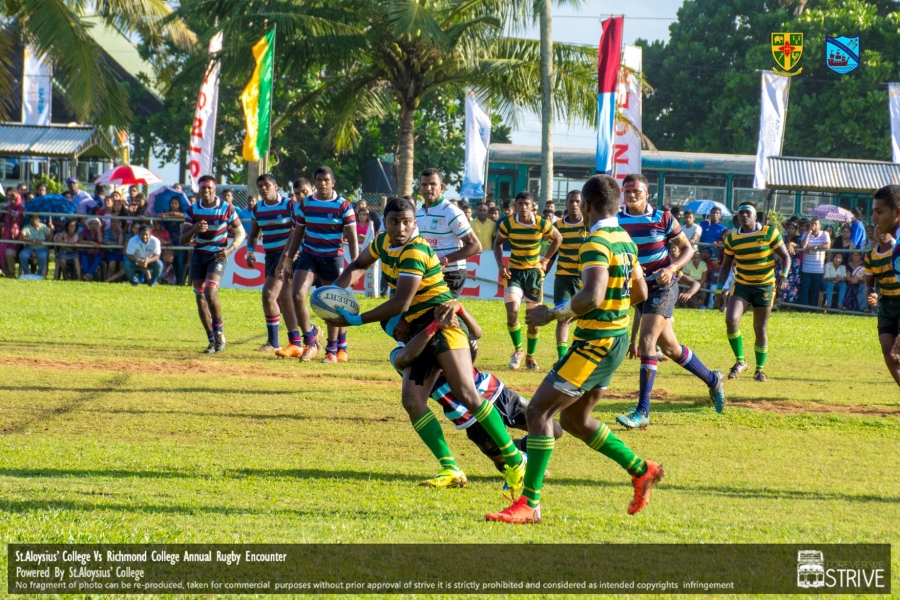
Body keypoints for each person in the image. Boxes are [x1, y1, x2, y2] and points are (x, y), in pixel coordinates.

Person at [485, 174, 663, 525]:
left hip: (595, 344)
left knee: (538, 412)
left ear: (585, 205)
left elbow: (592, 295)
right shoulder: (624, 240)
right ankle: (642, 469)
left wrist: (552, 313)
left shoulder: (595, 241)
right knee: (574, 419)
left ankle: (529, 503)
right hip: (614, 340)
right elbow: (640, 295)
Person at [325, 196, 528, 497]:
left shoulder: (416, 251)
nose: (401, 227)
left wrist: (354, 321)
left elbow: (401, 302)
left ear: (415, 223)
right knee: (412, 399)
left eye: (407, 222)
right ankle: (450, 468)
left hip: (443, 322)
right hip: (420, 330)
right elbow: (358, 264)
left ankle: (514, 460)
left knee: (467, 392)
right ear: (386, 222)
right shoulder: (382, 243)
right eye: (394, 221)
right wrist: (333, 290)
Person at [386, 300, 563, 480]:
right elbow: (402, 359)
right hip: (469, 417)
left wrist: (460, 309)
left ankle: (516, 447)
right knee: (504, 465)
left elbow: (476, 333)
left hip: (495, 392)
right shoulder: (400, 354)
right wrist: (433, 327)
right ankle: (513, 456)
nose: (413, 317)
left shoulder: (445, 331)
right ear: (397, 331)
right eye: (406, 318)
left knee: (553, 430)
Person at [616, 174, 725, 429]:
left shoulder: (662, 218)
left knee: (647, 342)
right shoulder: (618, 220)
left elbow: (688, 249)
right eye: (627, 191)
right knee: (671, 349)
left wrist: (672, 267)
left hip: (664, 286)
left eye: (637, 191)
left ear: (646, 193)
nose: (632, 195)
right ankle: (712, 379)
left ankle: (643, 411)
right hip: (638, 289)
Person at [280, 166, 358, 362]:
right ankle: (311, 341)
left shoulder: (344, 206)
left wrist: (356, 266)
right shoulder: (306, 204)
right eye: (319, 180)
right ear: (314, 183)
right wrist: (289, 261)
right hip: (309, 255)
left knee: (332, 303)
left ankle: (332, 351)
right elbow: (298, 233)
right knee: (297, 294)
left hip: (333, 258)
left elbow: (353, 239)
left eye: (326, 180)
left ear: (333, 182)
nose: (322, 184)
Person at [716, 203, 790, 383]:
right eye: (740, 212)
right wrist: (719, 290)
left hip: (764, 286)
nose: (744, 216)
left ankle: (760, 370)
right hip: (742, 285)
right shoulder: (733, 238)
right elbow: (726, 266)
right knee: (731, 320)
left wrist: (784, 276)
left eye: (747, 212)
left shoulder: (769, 233)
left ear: (755, 216)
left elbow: (785, 256)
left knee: (760, 327)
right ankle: (741, 362)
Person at [493, 191, 562, 371]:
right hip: (514, 273)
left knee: (533, 321)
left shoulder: (541, 223)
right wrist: (501, 264)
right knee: (512, 312)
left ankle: (530, 357)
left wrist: (546, 260)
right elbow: (497, 243)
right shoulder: (508, 223)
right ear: (515, 206)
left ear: (532, 206)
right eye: (520, 204)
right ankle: (518, 351)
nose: (523, 207)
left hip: (533, 274)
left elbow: (558, 238)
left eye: (526, 204)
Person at [180, 174, 246, 354]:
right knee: (200, 296)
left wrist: (230, 249)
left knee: (210, 291)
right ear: (199, 190)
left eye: (209, 188)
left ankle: (219, 333)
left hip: (217, 255)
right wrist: (194, 230)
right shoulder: (193, 210)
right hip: (199, 255)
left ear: (214, 189)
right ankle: (211, 340)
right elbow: (183, 238)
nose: (206, 191)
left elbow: (241, 233)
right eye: (203, 188)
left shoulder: (226, 208)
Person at [245, 174, 301, 354]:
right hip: (270, 256)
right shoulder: (258, 209)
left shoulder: (289, 205)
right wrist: (250, 250)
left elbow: (298, 230)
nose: (263, 188)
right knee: (280, 301)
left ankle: (273, 343)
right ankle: (310, 332)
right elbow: (254, 234)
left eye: (267, 185)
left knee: (269, 295)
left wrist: (289, 258)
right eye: (260, 185)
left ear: (276, 187)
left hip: (287, 256)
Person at [416, 169, 482, 298]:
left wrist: (445, 260)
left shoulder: (451, 212)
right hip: (429, 273)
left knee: (443, 313)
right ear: (420, 188)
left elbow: (475, 246)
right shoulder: (418, 214)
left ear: (442, 187)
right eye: (424, 185)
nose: (428, 188)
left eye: (432, 184)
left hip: (451, 272)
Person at [868, 184, 900, 387]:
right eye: (874, 212)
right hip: (889, 303)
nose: (874, 218)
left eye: (879, 212)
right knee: (890, 353)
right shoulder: (893, 246)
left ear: (897, 212)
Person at [550, 190, 588, 359]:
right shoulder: (557, 227)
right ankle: (561, 357)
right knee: (563, 317)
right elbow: (552, 253)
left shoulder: (588, 226)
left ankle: (582, 354)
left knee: (585, 318)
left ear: (582, 204)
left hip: (584, 279)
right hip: (563, 278)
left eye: (577, 201)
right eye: (571, 201)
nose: (574, 204)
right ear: (565, 203)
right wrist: (543, 269)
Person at [799, 217, 830, 309]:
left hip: (818, 269)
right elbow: (803, 245)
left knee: (815, 289)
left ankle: (812, 308)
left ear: (820, 225)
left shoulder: (825, 234)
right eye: (812, 223)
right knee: (805, 288)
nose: (813, 225)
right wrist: (809, 232)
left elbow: (827, 245)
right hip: (806, 268)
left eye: (816, 223)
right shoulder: (805, 233)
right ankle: (803, 308)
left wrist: (814, 247)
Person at [160, 197, 186, 285]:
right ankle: (169, 281)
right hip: (168, 239)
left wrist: (174, 214)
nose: (173, 205)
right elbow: (158, 216)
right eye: (172, 203)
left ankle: (180, 282)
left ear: (179, 205)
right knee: (169, 260)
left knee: (179, 261)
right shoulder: (166, 211)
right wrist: (169, 214)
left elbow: (185, 216)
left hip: (180, 240)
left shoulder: (183, 212)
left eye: (176, 203)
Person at [1, 190, 24, 277]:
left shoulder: (20, 207)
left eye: (14, 199)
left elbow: (16, 214)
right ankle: (4, 272)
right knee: (1, 251)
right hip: (5, 234)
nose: (13, 201)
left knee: (8, 253)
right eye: (11, 199)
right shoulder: (7, 206)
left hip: (15, 235)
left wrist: (8, 210)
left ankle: (11, 273)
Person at [778, 221, 802, 304]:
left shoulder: (798, 238)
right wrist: (787, 245)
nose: (790, 230)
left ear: (796, 230)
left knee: (792, 284)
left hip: (794, 265)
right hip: (783, 263)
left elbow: (801, 245)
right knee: (781, 281)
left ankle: (789, 303)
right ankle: (779, 301)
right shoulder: (782, 238)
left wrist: (792, 244)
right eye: (789, 228)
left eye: (792, 229)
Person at [103, 218, 126, 282]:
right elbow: (106, 242)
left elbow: (120, 244)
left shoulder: (122, 232)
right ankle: (113, 279)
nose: (115, 224)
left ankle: (119, 279)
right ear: (111, 223)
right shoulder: (107, 231)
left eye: (117, 222)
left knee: (122, 262)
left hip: (119, 252)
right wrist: (116, 244)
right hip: (109, 251)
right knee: (112, 262)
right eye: (114, 222)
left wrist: (121, 232)